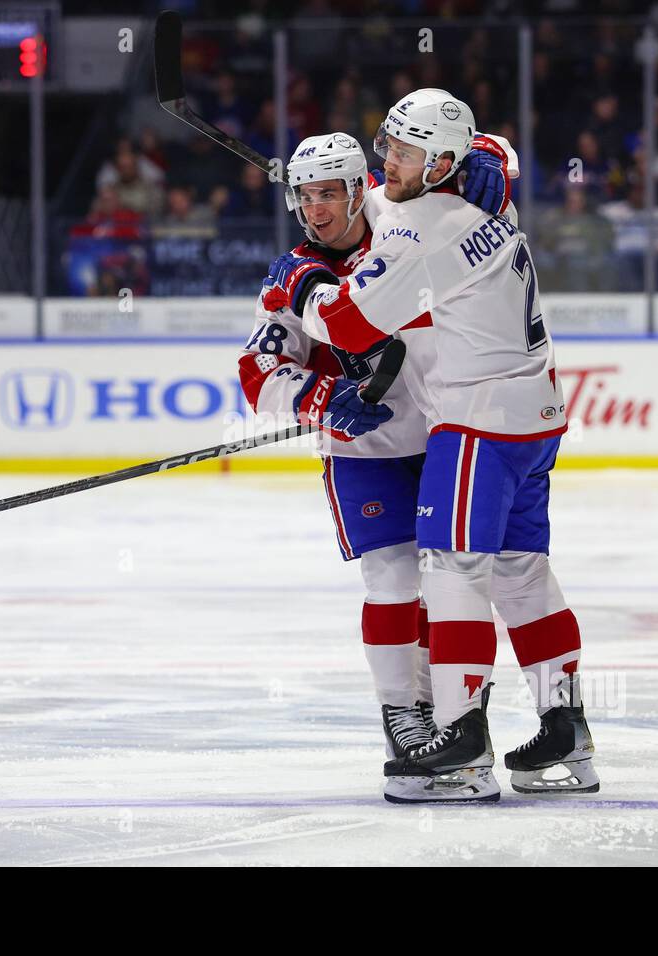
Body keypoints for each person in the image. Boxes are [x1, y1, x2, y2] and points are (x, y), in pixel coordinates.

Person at [262, 89, 600, 803]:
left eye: (408, 153)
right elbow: (495, 155)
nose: (391, 162)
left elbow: (349, 327)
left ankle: (460, 738)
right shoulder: (489, 201)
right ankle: (564, 727)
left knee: (451, 568)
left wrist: (303, 283)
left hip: (476, 418)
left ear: (442, 161)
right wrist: (490, 157)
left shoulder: (419, 225)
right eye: (388, 145)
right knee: (521, 572)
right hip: (536, 411)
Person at [240, 128, 517, 801]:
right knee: (392, 583)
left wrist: (491, 164)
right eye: (305, 196)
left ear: (361, 187)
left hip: (450, 437)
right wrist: (321, 397)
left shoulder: (410, 226)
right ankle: (404, 716)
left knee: (458, 581)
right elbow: (258, 372)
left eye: (330, 192)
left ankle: (459, 713)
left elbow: (478, 154)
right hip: (363, 453)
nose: (317, 209)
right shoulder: (290, 280)